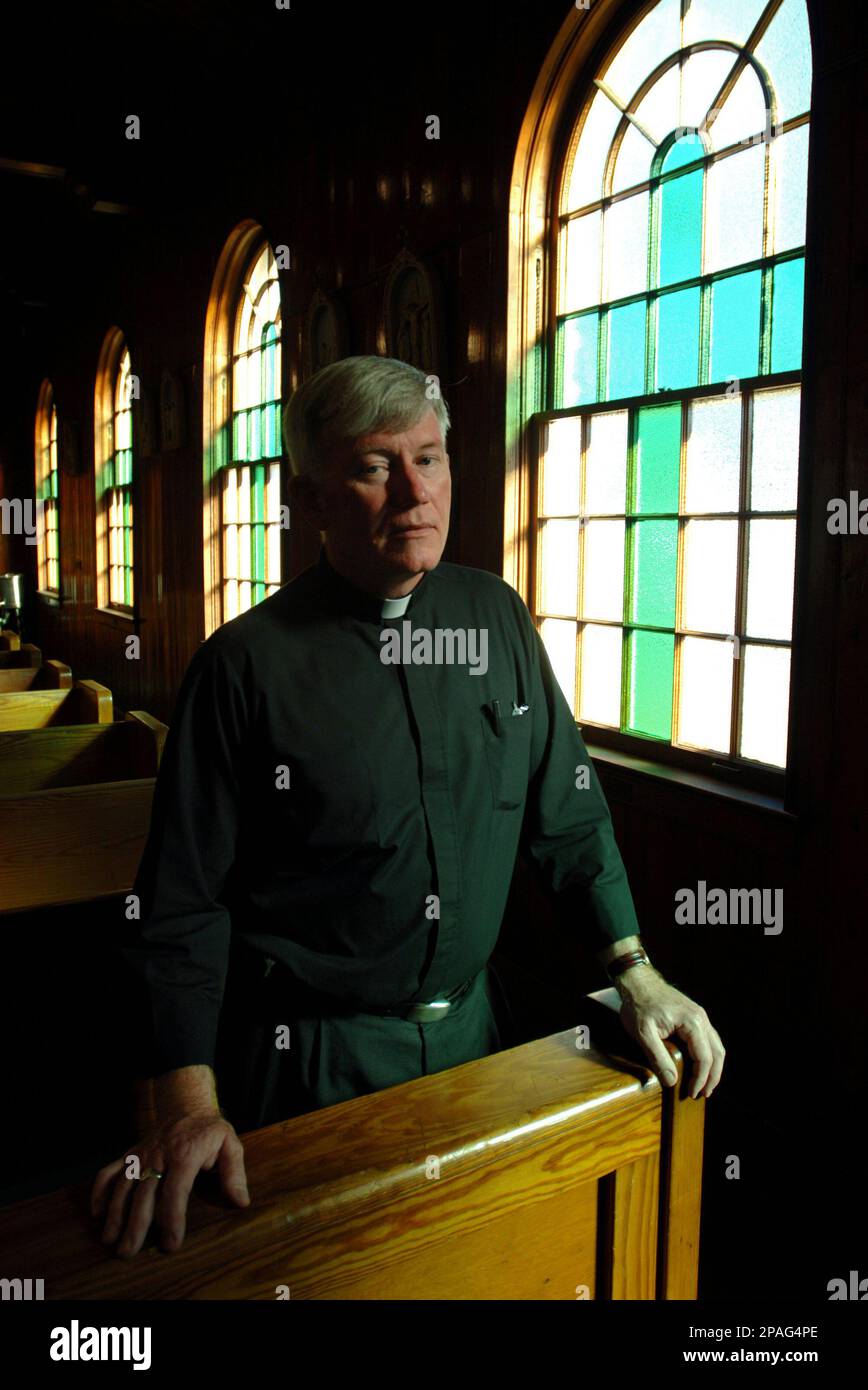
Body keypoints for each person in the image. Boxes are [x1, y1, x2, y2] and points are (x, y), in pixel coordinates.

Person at [91, 355, 725, 1258]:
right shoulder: (243, 669)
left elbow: (568, 813)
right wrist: (186, 1103)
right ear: (310, 500)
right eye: (374, 466)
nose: (413, 492)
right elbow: (179, 905)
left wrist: (635, 968)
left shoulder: (497, 618)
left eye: (429, 458)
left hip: (478, 1039)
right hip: (306, 1066)